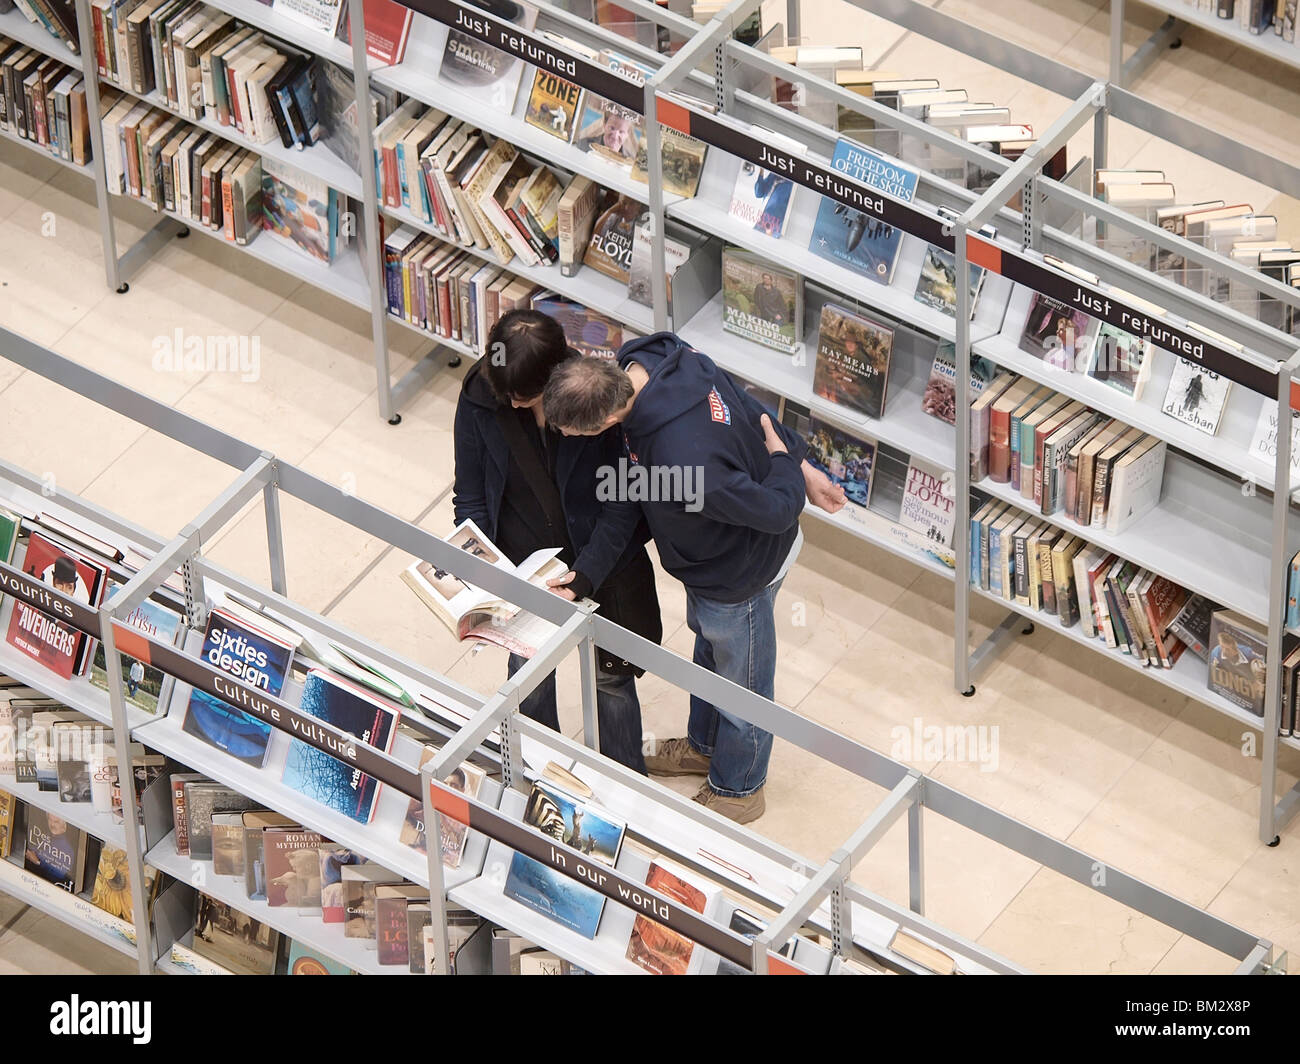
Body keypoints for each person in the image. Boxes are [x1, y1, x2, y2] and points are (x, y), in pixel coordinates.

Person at [543, 332, 846, 824]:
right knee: (709, 657)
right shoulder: (648, 358)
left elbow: (776, 509)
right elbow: (744, 410)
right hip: (705, 567)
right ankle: (706, 747)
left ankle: (739, 788)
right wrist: (586, 575)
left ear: (604, 420)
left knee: (742, 686)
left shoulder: (687, 460)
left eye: (575, 434)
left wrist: (791, 465)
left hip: (739, 573)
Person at [452, 310, 662, 774]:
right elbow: (469, 492)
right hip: (525, 564)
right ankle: (535, 775)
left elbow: (623, 505)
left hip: (604, 563)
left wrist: (586, 574)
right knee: (529, 677)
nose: (513, 403)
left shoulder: (596, 396)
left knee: (612, 679)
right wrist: (478, 561)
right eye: (505, 393)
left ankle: (627, 784)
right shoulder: (485, 392)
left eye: (523, 397)